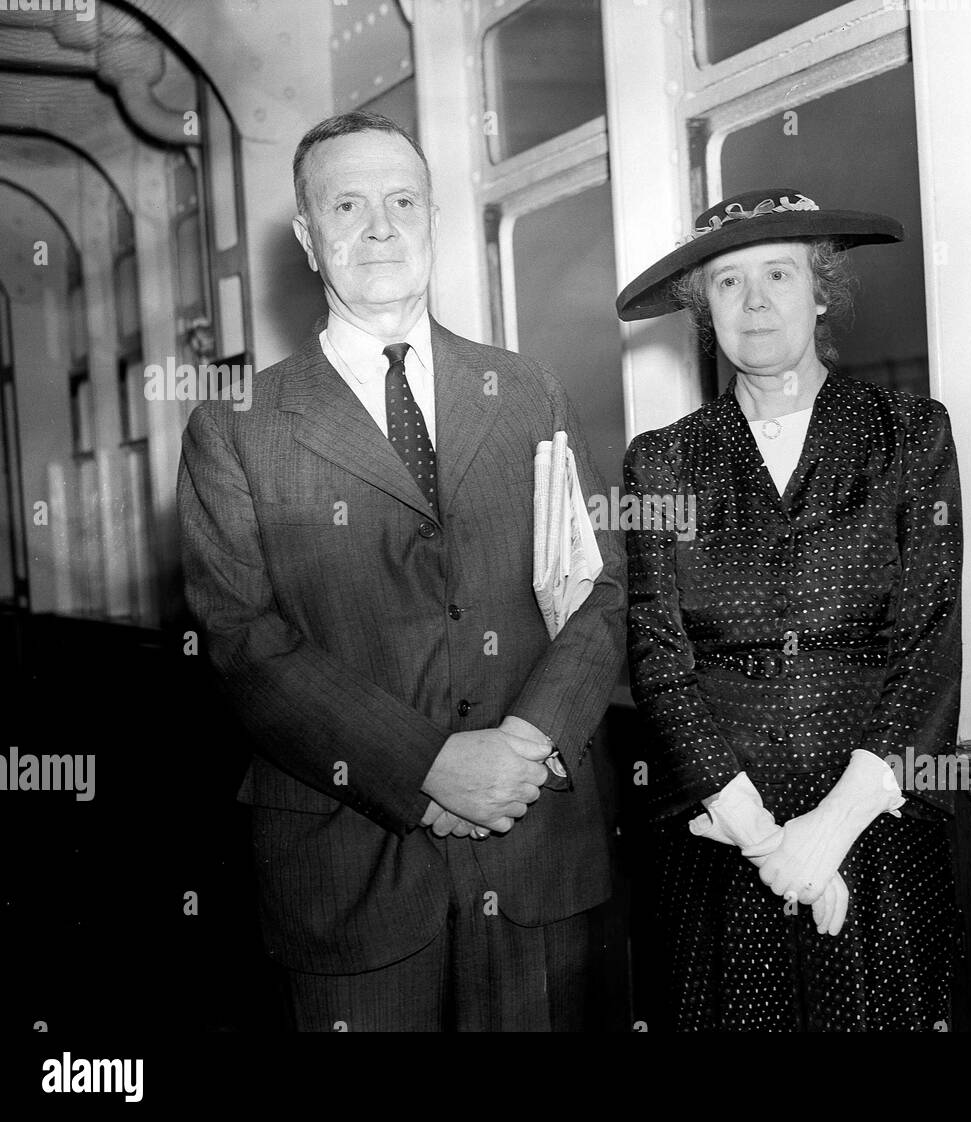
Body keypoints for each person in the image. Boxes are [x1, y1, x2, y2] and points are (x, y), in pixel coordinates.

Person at [177, 111, 625, 1031]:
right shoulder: (237, 424)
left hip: (535, 844)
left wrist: (524, 750)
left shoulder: (527, 390)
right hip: (350, 872)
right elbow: (244, 641)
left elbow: (599, 592)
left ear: (431, 220)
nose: (380, 227)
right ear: (308, 238)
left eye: (402, 201)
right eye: (347, 204)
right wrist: (430, 769)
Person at [616, 187, 963, 1031]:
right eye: (729, 284)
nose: (757, 300)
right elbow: (658, 655)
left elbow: (929, 643)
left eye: (779, 274)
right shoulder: (661, 461)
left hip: (873, 826)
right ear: (706, 312)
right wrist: (768, 841)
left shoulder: (908, 432)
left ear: (820, 293)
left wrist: (828, 832)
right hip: (721, 833)